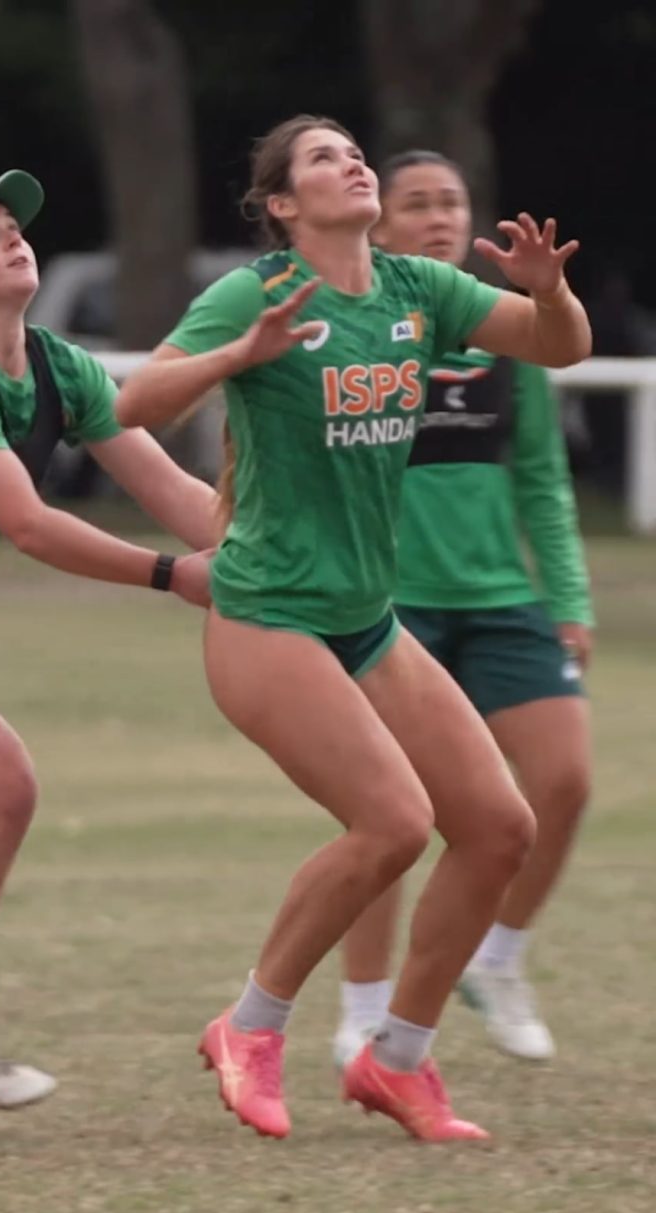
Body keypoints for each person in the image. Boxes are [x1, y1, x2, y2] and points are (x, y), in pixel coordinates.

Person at [117, 115, 591, 1143]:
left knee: (498, 825)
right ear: (282, 204)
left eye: (353, 151)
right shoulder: (259, 291)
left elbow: (558, 346)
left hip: (362, 617)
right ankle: (248, 1027)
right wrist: (239, 353)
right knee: (390, 823)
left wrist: (545, 289)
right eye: (323, 157)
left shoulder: (416, 289)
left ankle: (398, 1060)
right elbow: (133, 402)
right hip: (263, 612)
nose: (353, 163)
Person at [0, 171, 217, 1107]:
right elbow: (31, 526)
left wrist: (283, 563)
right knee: (2, 783)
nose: (11, 238)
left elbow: (176, 495)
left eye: (15, 226)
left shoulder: (60, 367)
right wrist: (172, 576)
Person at [333, 150, 594, 1069]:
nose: (439, 217)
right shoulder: (363, 331)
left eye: (452, 202)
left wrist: (568, 599)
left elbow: (543, 480)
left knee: (563, 780)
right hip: (390, 605)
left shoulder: (508, 334)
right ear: (381, 223)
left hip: (503, 600)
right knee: (389, 814)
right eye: (418, 204)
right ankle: (362, 1007)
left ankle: (500, 958)